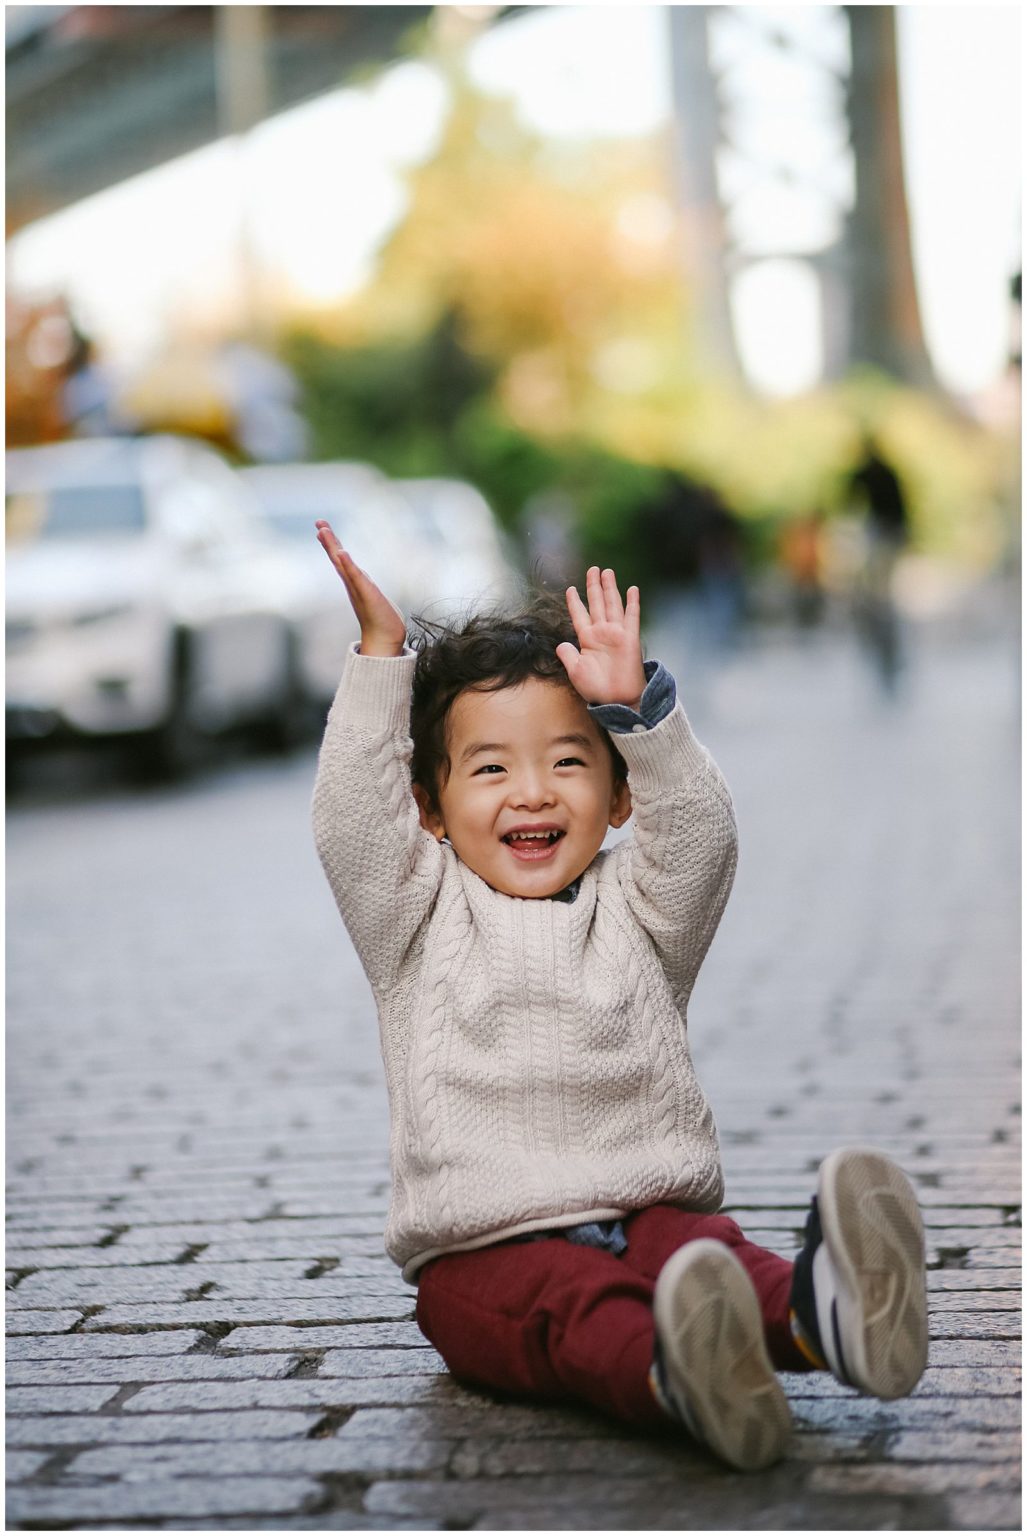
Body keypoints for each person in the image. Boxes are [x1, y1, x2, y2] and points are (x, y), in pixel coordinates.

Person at [311, 519, 929, 1473]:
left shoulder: (641, 912)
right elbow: (352, 818)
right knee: (574, 1307)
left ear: (619, 793)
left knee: (714, 1265)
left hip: (651, 1208)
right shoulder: (414, 920)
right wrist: (381, 661)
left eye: (568, 761)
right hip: (484, 1250)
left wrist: (641, 714)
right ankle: (673, 1370)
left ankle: (829, 1319)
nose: (532, 793)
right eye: (489, 769)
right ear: (429, 810)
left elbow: (703, 839)